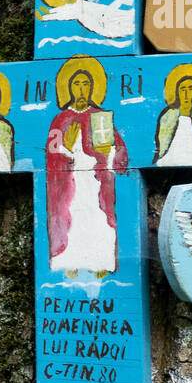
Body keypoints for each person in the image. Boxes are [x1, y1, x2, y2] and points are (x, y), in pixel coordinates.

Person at [46, 63, 127, 279]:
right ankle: (70, 260)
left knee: (97, 217)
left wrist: (110, 153)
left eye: (85, 84)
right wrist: (67, 150)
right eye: (76, 84)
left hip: (96, 181)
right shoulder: (60, 119)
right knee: (72, 215)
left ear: (92, 88)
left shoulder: (99, 117)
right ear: (69, 88)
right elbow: (52, 153)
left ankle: (101, 261)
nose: (81, 89)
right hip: (70, 182)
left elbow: (118, 148)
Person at [155, 72, 192, 166]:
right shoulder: (169, 114)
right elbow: (163, 138)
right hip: (171, 156)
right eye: (182, 89)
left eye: (190, 88)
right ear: (177, 91)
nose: (186, 93)